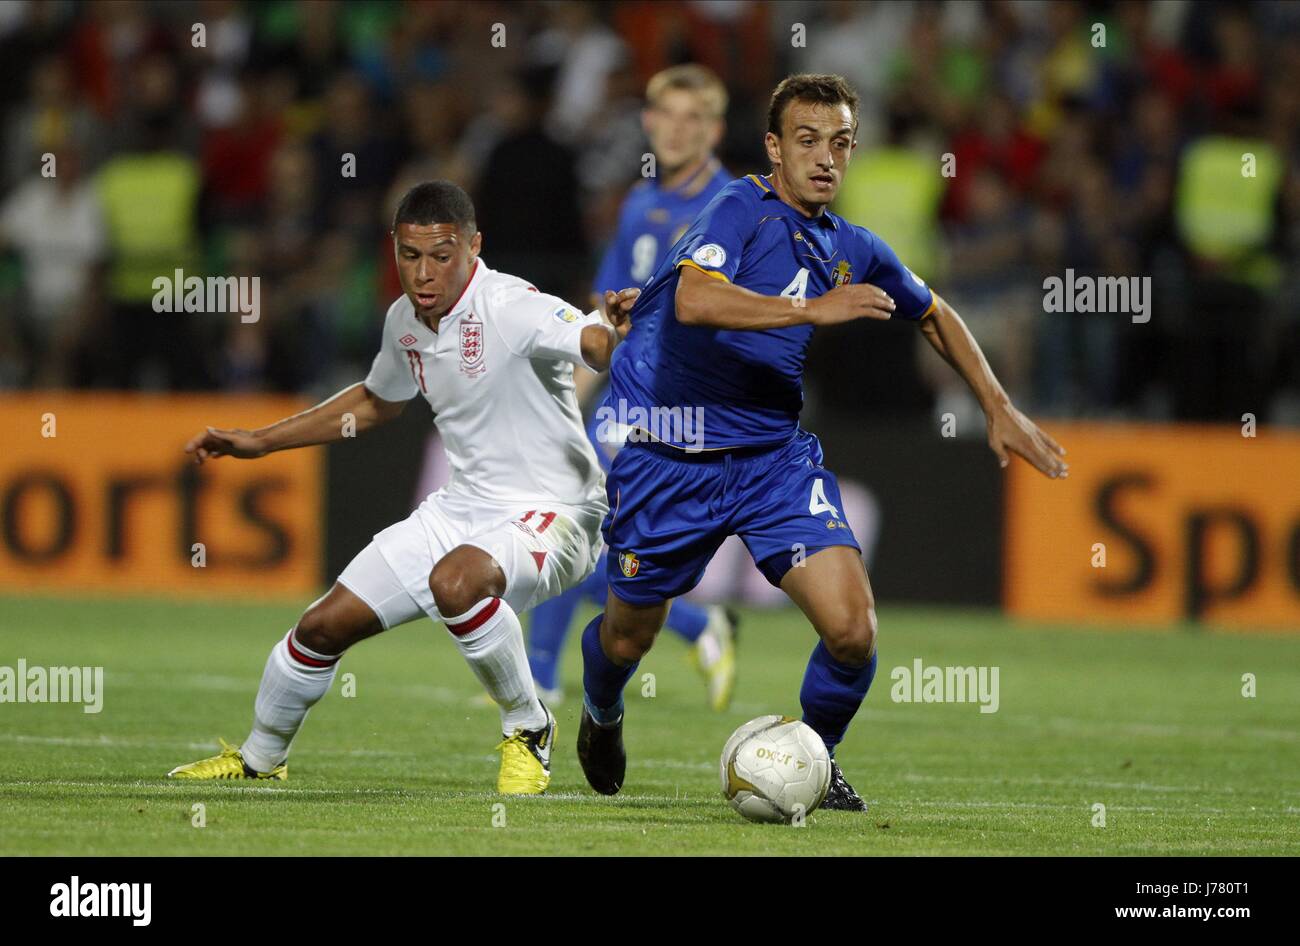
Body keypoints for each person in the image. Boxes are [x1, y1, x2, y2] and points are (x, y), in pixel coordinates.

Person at [576, 74, 1068, 810]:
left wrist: (999, 407)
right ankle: (602, 710)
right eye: (806, 140)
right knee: (625, 640)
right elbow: (695, 298)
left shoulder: (851, 246)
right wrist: (811, 308)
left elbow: (934, 311)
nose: (825, 157)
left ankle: (815, 756)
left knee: (852, 631)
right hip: (670, 457)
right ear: (775, 148)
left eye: (840, 143)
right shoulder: (739, 207)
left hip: (772, 462)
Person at [167, 180, 638, 795]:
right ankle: (259, 759)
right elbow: (375, 402)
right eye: (410, 255)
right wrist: (260, 441)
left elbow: (591, 345)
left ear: (473, 246)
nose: (423, 272)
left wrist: (612, 327)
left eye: (441, 255)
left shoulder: (510, 304)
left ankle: (528, 726)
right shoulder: (403, 322)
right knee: (320, 628)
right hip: (460, 509)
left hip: (557, 511)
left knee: (456, 583)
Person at [527, 63, 739, 711]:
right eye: (666, 115)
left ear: (714, 130)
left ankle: (692, 626)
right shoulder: (640, 203)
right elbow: (607, 316)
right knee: (571, 527)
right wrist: (569, 397)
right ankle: (542, 677)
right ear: (647, 122)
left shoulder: (731, 208)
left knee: (584, 538)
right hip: (624, 398)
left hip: (685, 407)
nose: (676, 130)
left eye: (692, 118)